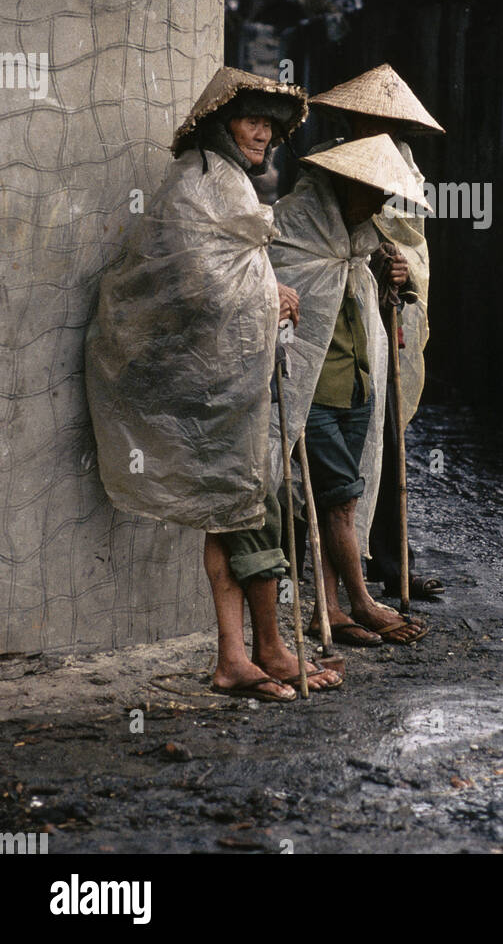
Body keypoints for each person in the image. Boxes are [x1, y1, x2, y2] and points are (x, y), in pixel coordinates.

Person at [85, 66, 339, 702]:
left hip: (232, 383)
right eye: (253, 121)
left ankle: (246, 655)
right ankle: (262, 651)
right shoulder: (200, 181)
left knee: (243, 512)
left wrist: (262, 288)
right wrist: (266, 294)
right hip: (207, 389)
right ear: (222, 124)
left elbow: (229, 269)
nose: (265, 135)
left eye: (273, 126)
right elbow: (195, 285)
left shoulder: (225, 181)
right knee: (244, 510)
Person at [269, 135, 430, 647]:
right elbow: (263, 285)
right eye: (369, 192)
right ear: (341, 183)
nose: (378, 205)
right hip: (312, 389)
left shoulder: (363, 244)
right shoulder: (293, 226)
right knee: (337, 500)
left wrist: (393, 278)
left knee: (342, 498)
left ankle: (330, 611)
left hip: (358, 384)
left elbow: (371, 304)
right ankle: (361, 601)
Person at [309, 65, 446, 599]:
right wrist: (366, 264)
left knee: (387, 435)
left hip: (386, 314)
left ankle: (394, 562)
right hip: (340, 316)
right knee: (337, 439)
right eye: (365, 120)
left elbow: (414, 247)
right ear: (349, 118)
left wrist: (401, 272)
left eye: (386, 124)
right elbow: (320, 243)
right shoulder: (325, 165)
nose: (375, 129)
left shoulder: (407, 174)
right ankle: (337, 568)